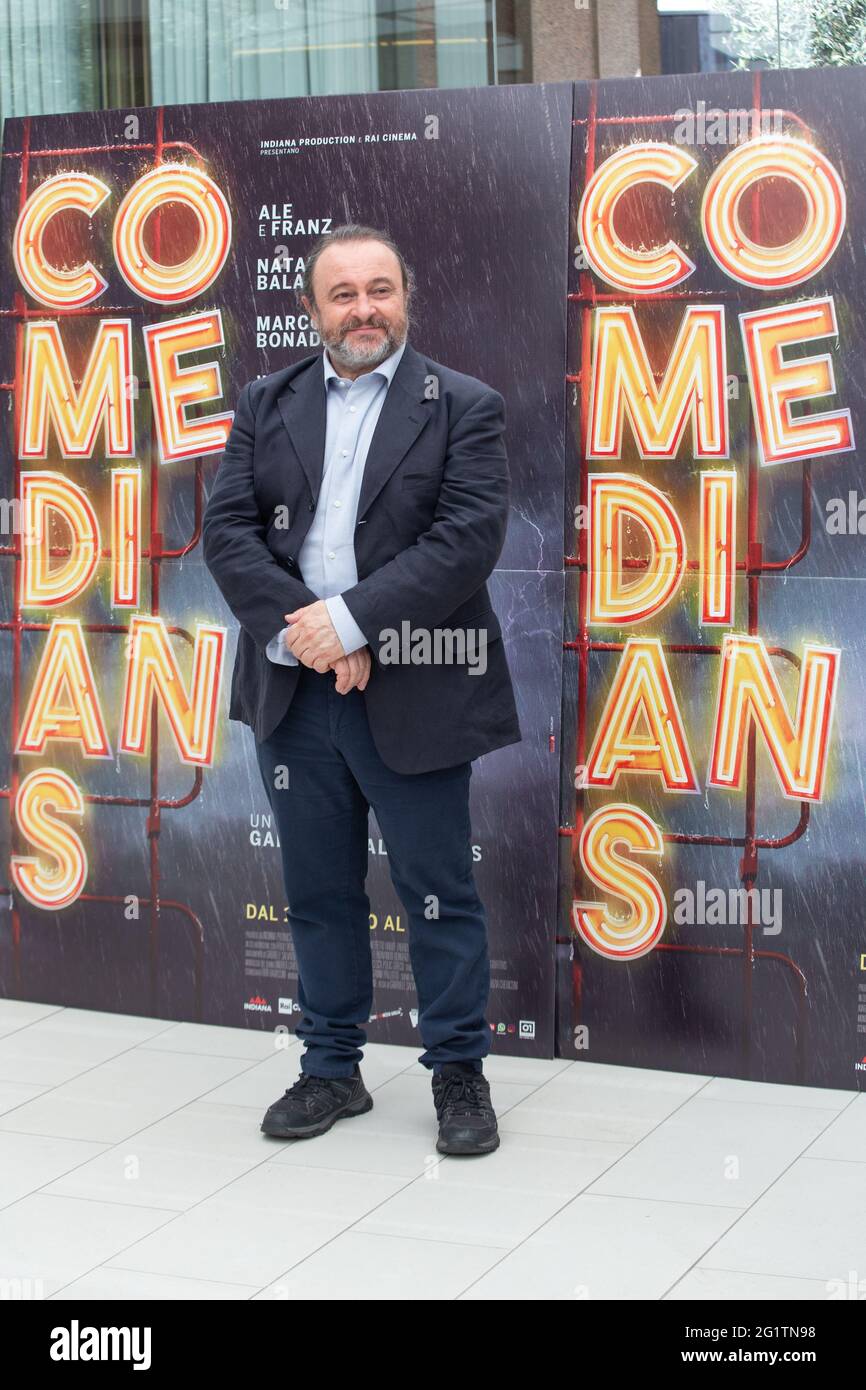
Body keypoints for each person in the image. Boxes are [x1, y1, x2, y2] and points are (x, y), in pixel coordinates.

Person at [202, 223, 521, 1156]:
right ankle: (331, 1068)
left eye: (379, 289)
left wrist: (348, 624)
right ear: (312, 309)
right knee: (317, 891)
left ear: (405, 298)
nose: (363, 308)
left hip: (417, 687)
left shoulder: (464, 404)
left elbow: (466, 540)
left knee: (438, 890)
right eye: (342, 293)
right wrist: (309, 632)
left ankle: (459, 1072)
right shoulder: (266, 402)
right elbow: (227, 535)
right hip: (296, 695)